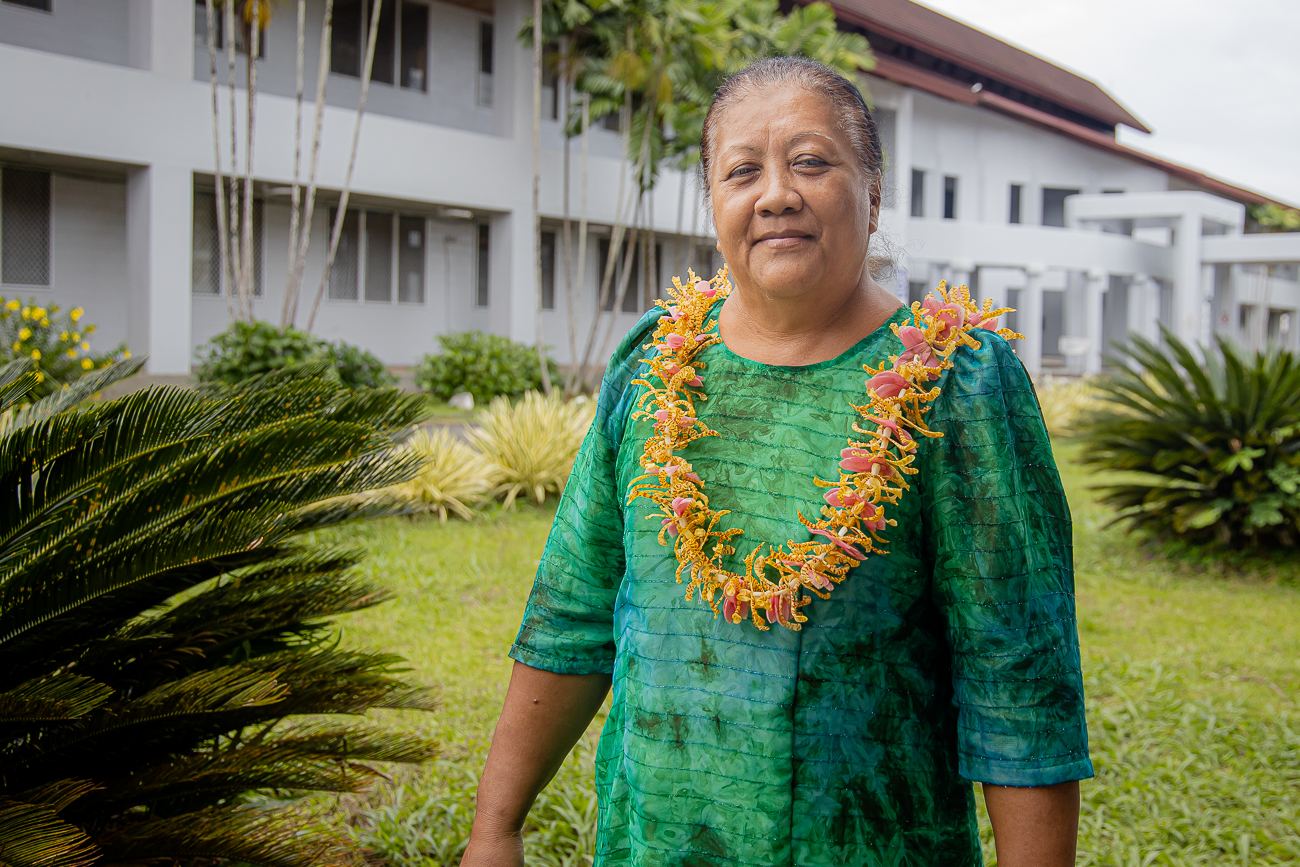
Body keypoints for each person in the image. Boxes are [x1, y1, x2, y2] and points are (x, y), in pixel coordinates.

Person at [463, 57, 1091, 867]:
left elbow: (1020, 687)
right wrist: (495, 828)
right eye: (742, 171)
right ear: (715, 203)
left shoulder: (958, 385)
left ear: (872, 193)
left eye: (810, 161)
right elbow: (571, 613)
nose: (776, 194)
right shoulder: (655, 366)